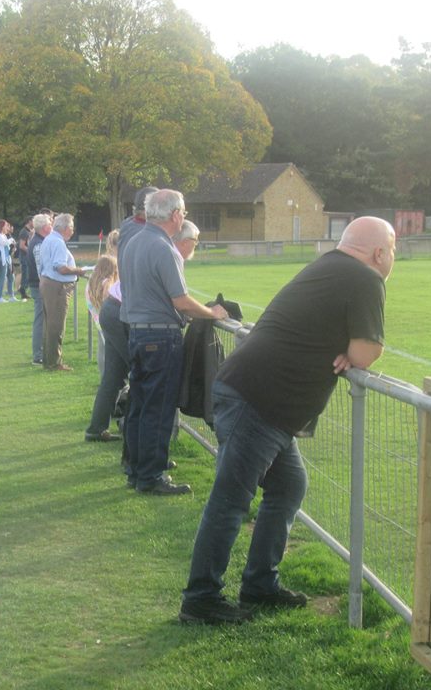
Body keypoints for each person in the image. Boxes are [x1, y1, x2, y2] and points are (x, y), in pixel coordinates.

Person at [179, 216, 396, 624]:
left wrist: (350, 349)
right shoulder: (366, 278)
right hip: (258, 400)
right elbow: (366, 352)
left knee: (289, 485)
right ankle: (200, 598)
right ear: (380, 252)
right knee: (230, 500)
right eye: (394, 249)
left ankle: (260, 583)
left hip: (259, 399)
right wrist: (354, 352)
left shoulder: (328, 265)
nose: (394, 257)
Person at [120, 189, 229, 495]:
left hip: (138, 333)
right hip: (161, 337)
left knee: (140, 406)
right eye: (184, 211)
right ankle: (151, 476)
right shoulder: (163, 248)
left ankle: (136, 468)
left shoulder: (133, 242)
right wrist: (211, 312)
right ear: (176, 215)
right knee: (158, 409)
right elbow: (180, 300)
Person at [84, 255, 125, 442]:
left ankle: (97, 428)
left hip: (103, 329)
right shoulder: (107, 284)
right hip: (114, 329)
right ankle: (126, 423)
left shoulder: (90, 284)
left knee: (112, 378)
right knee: (134, 371)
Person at [38, 212, 86, 371]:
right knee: (56, 326)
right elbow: (61, 267)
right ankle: (54, 362)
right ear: (64, 228)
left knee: (49, 324)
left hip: (48, 283)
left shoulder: (48, 239)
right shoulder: (58, 242)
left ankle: (48, 360)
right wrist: (79, 270)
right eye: (71, 228)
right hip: (57, 287)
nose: (73, 231)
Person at [26, 212, 53, 365]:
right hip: (39, 287)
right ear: (44, 228)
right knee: (40, 320)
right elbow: (40, 270)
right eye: (50, 224)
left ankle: (42, 352)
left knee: (42, 319)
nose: (52, 226)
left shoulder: (39, 241)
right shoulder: (38, 244)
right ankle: (38, 355)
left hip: (38, 286)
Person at [0, 219, 18, 303]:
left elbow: (7, 247)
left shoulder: (4, 235)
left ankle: (11, 296)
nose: (7, 227)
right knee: (2, 278)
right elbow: (4, 243)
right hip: (1, 259)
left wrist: (12, 246)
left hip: (7, 259)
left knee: (11, 277)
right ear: (2, 226)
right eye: (6, 226)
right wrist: (11, 240)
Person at [17, 216, 34, 300]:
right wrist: (31, 251)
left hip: (27, 257)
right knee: (25, 275)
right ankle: (22, 291)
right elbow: (22, 246)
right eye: (33, 221)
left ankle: (23, 291)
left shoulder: (29, 231)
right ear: (29, 221)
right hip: (24, 257)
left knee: (27, 275)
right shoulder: (24, 232)